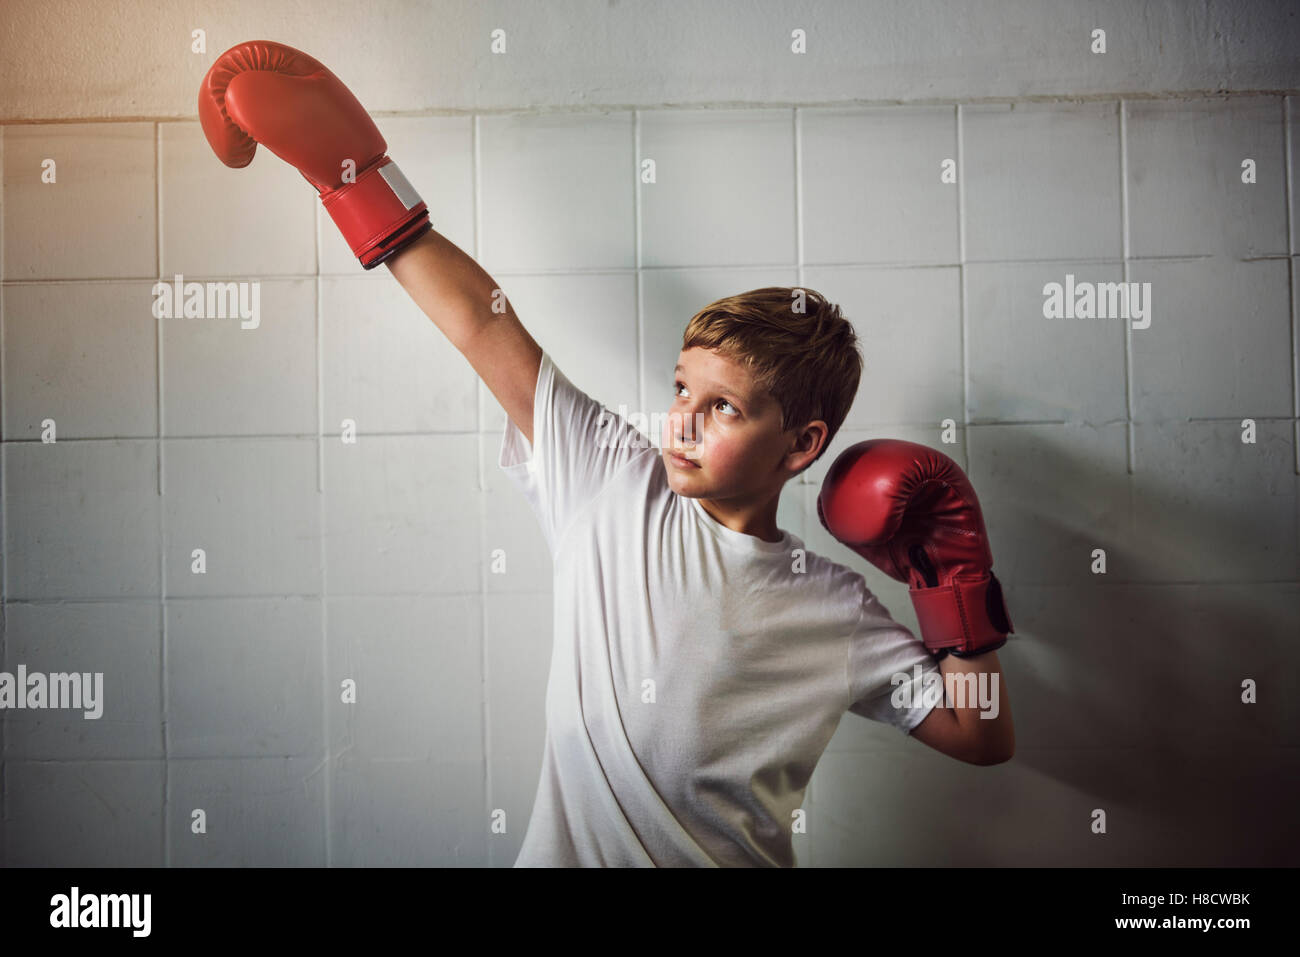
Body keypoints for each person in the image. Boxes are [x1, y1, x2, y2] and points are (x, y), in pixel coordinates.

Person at [199, 40, 1016, 867]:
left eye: (723, 407)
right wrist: (356, 179)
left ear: (801, 445)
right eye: (680, 391)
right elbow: (485, 325)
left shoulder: (831, 606)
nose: (682, 423)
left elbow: (979, 735)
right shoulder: (612, 481)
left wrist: (953, 587)